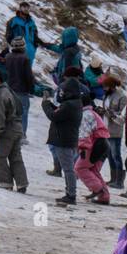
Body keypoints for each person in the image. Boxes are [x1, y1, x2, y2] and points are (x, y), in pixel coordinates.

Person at [0, 64, 26, 194]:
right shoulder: (9, 91)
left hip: (6, 130)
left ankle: (6, 183)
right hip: (18, 128)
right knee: (15, 157)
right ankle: (22, 183)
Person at [42, 73, 83, 205]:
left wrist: (45, 104)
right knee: (68, 168)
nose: (62, 93)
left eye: (64, 91)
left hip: (63, 140)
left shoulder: (70, 105)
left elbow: (54, 116)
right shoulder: (74, 103)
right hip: (68, 139)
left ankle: (71, 195)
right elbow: (59, 111)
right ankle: (70, 193)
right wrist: (50, 105)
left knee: (68, 169)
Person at [76, 99, 112, 205]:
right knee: (93, 169)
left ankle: (97, 189)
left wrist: (82, 147)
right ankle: (104, 197)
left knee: (80, 168)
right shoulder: (92, 113)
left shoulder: (85, 115)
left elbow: (85, 133)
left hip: (95, 145)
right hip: (104, 144)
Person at [101, 68, 127, 189]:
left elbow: (122, 113)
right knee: (109, 154)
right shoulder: (107, 95)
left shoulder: (121, 96)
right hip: (105, 127)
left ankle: (119, 181)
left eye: (106, 86)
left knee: (116, 155)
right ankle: (113, 178)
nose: (104, 89)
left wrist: (110, 113)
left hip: (115, 129)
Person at [5, 37, 35, 138]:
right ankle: (21, 135)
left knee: (9, 112)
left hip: (9, 89)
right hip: (22, 91)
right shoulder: (25, 59)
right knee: (22, 113)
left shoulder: (7, 57)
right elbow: (28, 76)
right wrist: (31, 88)